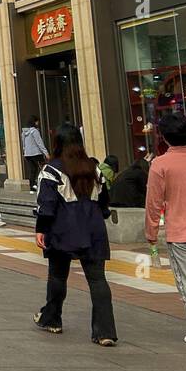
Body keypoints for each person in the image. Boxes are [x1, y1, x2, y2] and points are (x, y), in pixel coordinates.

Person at [33, 123, 117, 346]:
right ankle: (105, 332)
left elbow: (47, 205)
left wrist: (41, 229)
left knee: (58, 275)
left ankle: (52, 319)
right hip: (93, 227)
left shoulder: (51, 170)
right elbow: (104, 202)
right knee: (98, 279)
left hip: (63, 228)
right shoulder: (94, 168)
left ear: (57, 144)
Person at [145, 113, 186, 345]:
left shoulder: (160, 164)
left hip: (181, 233)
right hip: (183, 232)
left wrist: (151, 234)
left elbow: (153, 203)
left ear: (163, 137)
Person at [22, 116, 50, 192]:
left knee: (32, 170)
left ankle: (32, 188)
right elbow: (39, 143)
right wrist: (46, 153)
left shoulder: (24, 132)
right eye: (37, 121)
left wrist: (25, 152)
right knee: (44, 169)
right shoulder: (35, 131)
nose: (38, 123)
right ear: (34, 122)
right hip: (36, 153)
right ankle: (47, 185)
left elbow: (23, 144)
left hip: (28, 154)